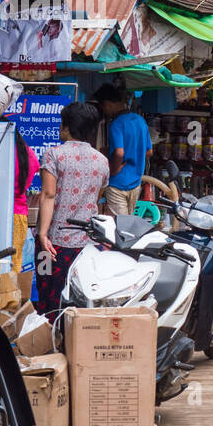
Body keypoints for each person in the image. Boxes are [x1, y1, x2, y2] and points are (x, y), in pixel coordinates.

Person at [36, 102, 108, 320]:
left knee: (47, 293)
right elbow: (94, 198)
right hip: (89, 244)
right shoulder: (102, 161)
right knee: (80, 297)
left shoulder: (54, 155)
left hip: (53, 244)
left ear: (66, 128)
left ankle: (49, 336)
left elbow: (48, 195)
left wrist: (42, 234)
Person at [95, 82, 150, 215]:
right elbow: (149, 151)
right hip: (136, 182)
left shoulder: (117, 124)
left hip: (118, 183)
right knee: (128, 223)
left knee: (121, 226)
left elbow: (119, 153)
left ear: (107, 104)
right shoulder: (140, 120)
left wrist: (112, 171)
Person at [11, 130, 40, 273]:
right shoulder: (26, 152)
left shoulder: (0, 150)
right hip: (18, 215)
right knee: (14, 263)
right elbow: (35, 166)